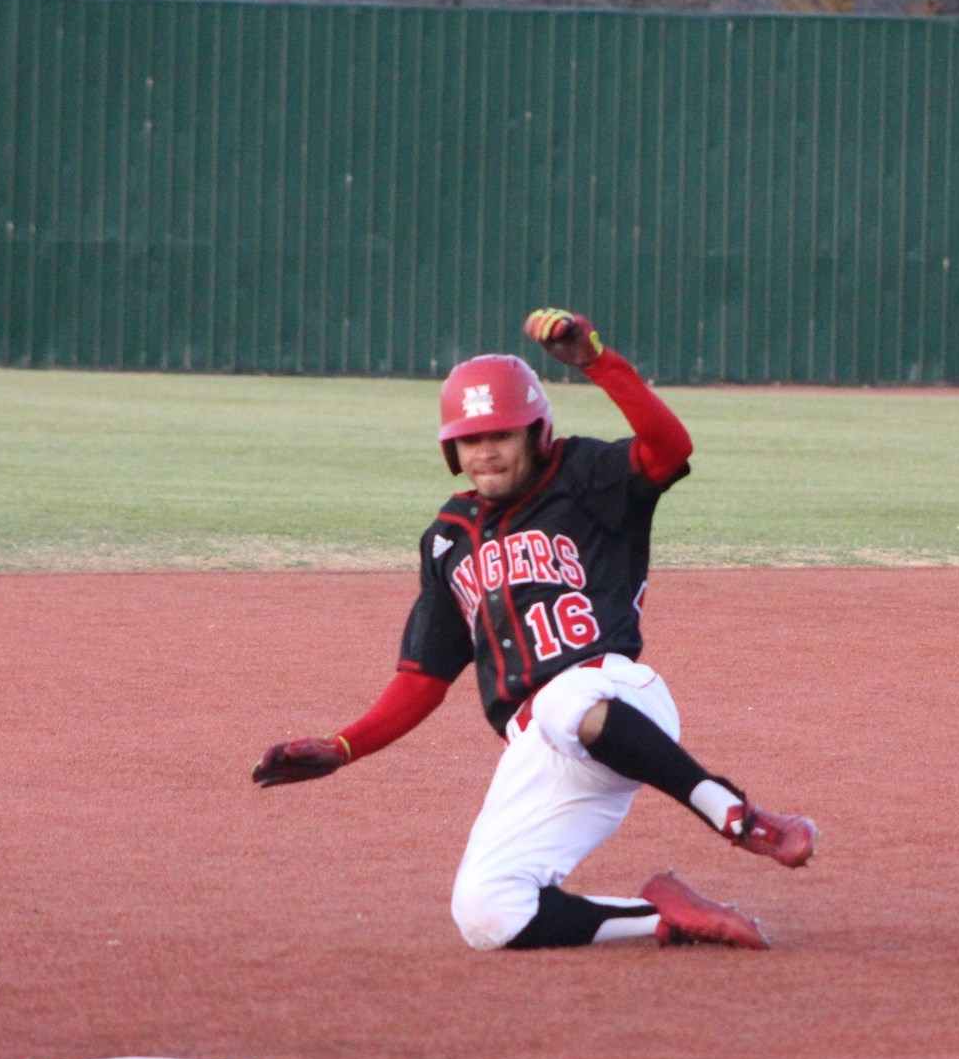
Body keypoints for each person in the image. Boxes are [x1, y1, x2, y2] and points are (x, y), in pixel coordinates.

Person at [252, 308, 816, 951]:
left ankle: (736, 815)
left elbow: (670, 450)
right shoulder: (446, 541)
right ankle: (663, 916)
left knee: (561, 698)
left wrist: (598, 363)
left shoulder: (585, 477)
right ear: (451, 449)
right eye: (471, 439)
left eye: (502, 434)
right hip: (543, 750)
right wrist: (344, 746)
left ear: (537, 434)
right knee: (487, 913)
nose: (485, 450)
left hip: (618, 695)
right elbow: (421, 679)